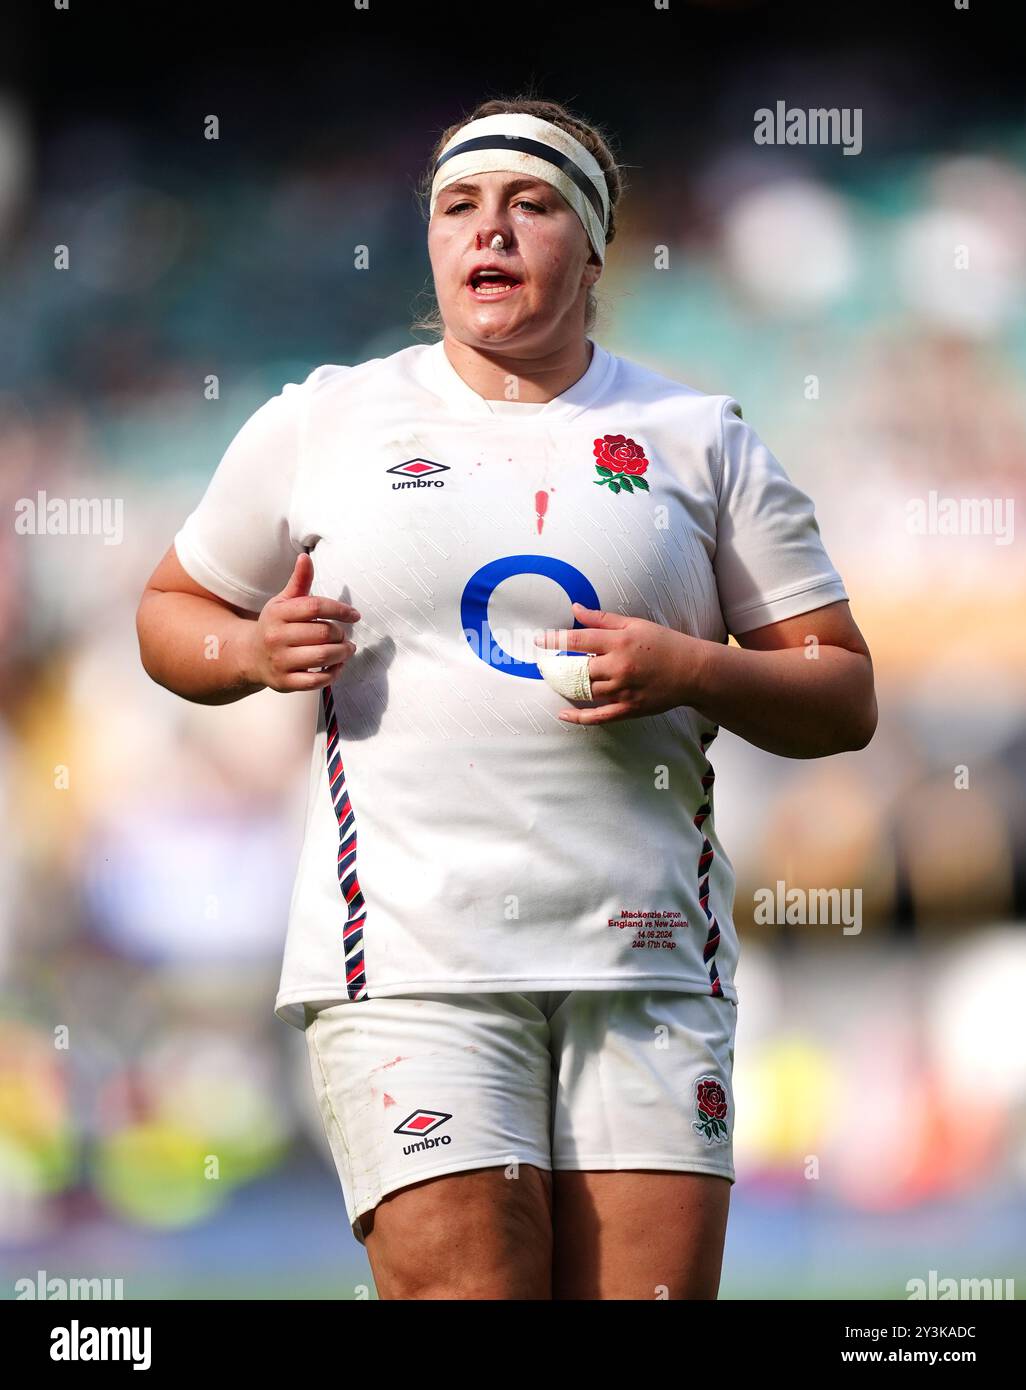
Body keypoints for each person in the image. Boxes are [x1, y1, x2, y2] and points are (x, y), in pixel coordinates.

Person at [136, 95, 877, 1300]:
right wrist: (250, 652)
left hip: (645, 962)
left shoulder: (699, 438)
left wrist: (692, 669)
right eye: (459, 208)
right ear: (431, 242)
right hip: (414, 959)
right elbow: (170, 612)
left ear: (591, 249)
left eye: (531, 205)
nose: (490, 232)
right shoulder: (323, 417)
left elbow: (841, 692)